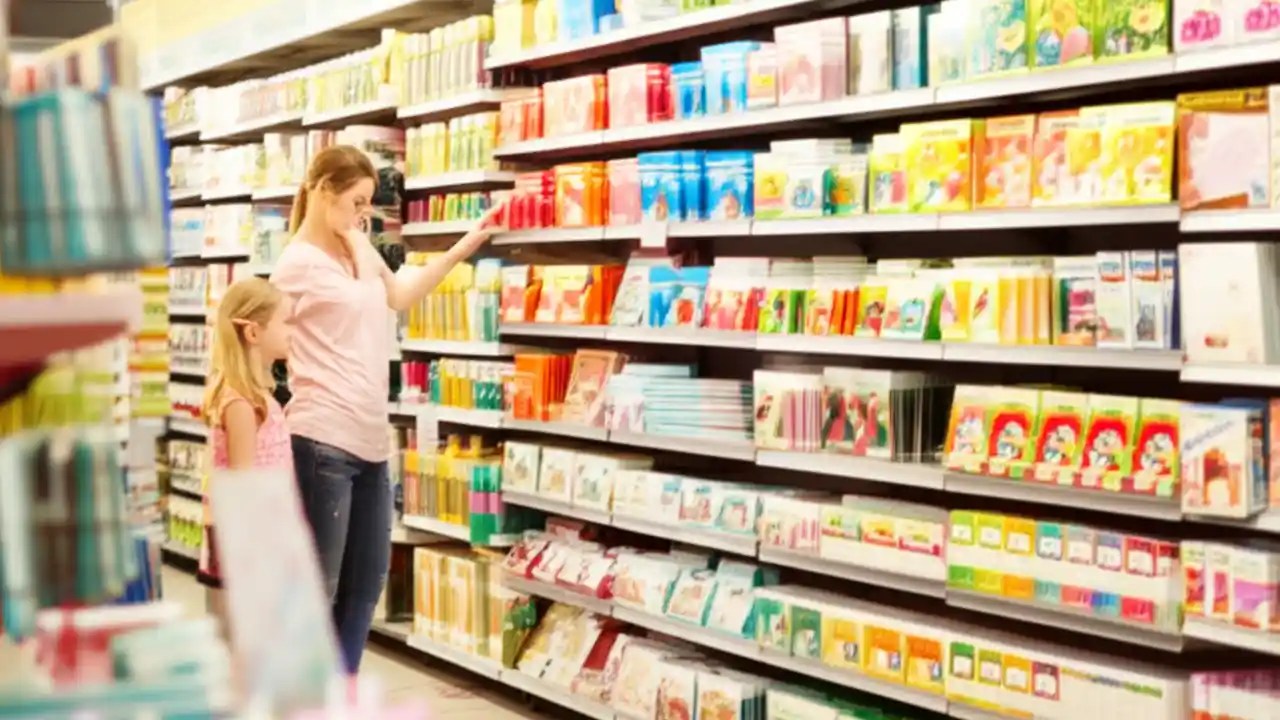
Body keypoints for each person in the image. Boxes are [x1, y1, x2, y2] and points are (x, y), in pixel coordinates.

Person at [270, 145, 502, 672]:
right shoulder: (295, 265)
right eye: (356, 201)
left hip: (373, 442)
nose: (363, 214)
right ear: (323, 191)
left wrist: (465, 245)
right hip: (321, 440)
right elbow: (266, 337)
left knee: (363, 590)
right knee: (318, 591)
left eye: (369, 204)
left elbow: (399, 296)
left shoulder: (359, 245)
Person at [199, 277, 295, 635]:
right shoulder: (239, 401)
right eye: (286, 322)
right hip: (248, 540)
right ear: (253, 333)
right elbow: (243, 482)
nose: (292, 332)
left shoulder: (256, 395)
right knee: (247, 639)